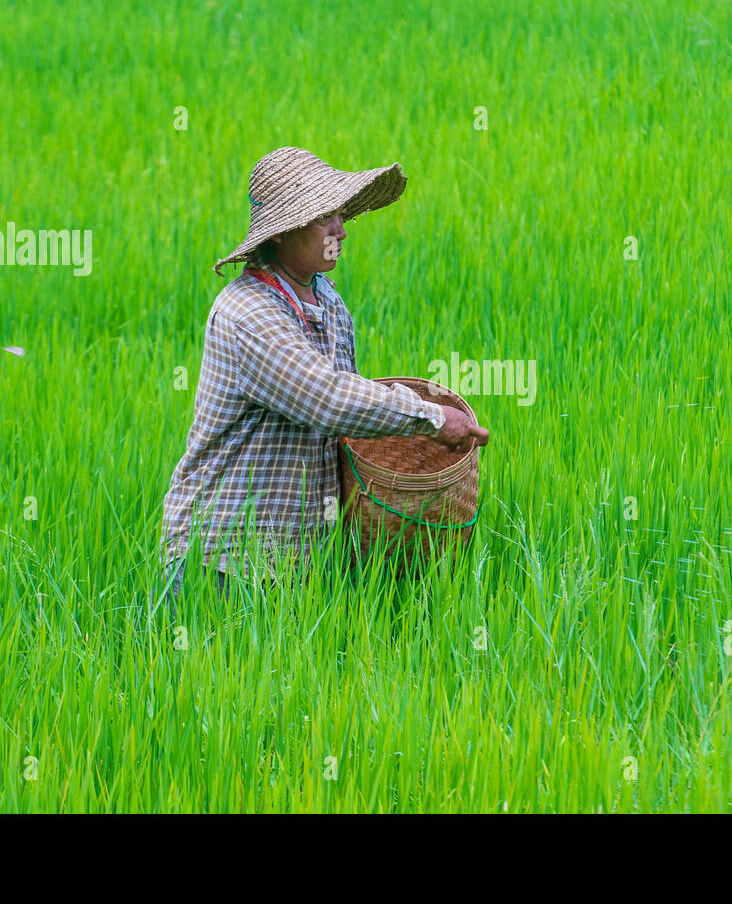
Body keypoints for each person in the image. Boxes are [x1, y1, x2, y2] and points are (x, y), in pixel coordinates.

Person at [160, 147, 489, 600]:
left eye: (341, 216)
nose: (340, 232)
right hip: (222, 559)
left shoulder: (326, 301)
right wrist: (431, 418)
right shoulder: (246, 314)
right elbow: (330, 400)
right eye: (323, 219)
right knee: (225, 670)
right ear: (280, 233)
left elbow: (348, 413)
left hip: (298, 562)